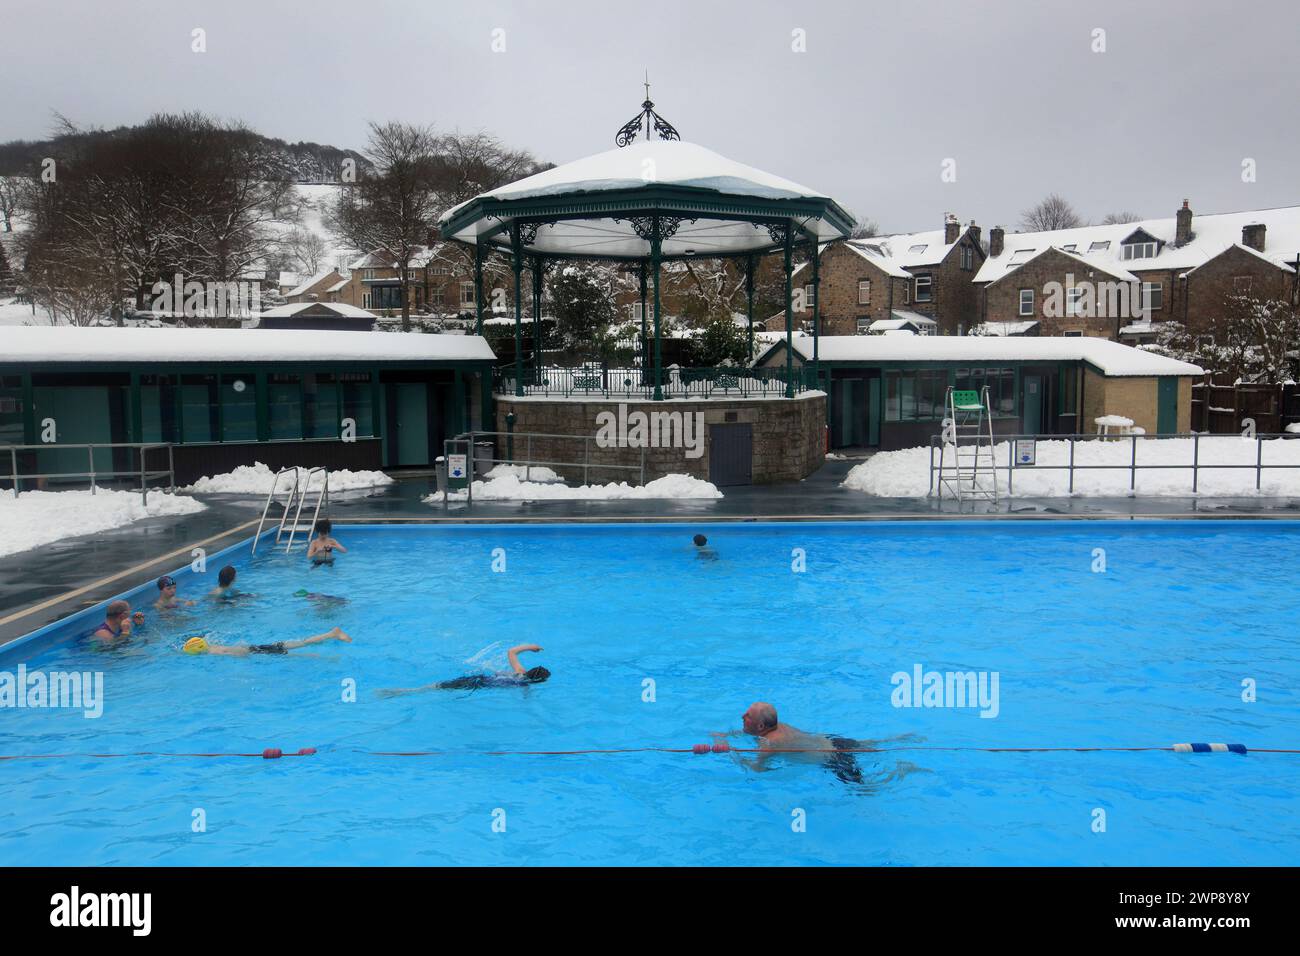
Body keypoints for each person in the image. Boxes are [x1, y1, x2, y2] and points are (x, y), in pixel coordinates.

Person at [714, 701, 869, 784]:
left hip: (836, 760)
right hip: (834, 741)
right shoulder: (779, 725)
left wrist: (732, 752)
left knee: (866, 791)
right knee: (875, 744)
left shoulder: (769, 744)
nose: (742, 716)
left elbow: (757, 770)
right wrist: (725, 735)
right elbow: (750, 732)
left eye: (747, 716)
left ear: (761, 726)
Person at [378, 644, 548, 696]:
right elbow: (526, 699)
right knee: (437, 689)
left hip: (478, 677)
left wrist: (530, 647)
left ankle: (401, 691)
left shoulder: (520, 671)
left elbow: (511, 651)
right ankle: (401, 692)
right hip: (478, 686)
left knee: (435, 686)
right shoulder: (523, 684)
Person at [182, 626, 352, 657]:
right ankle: (328, 638)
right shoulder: (212, 645)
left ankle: (331, 634)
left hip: (256, 651)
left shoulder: (214, 651)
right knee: (293, 647)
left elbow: (239, 653)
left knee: (298, 646)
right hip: (256, 648)